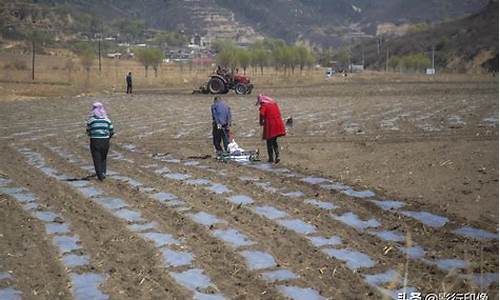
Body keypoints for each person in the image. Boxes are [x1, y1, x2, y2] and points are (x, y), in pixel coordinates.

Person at [86, 102, 114, 181]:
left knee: (96, 158)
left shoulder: (91, 120)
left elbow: (88, 131)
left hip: (95, 141)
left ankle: (100, 175)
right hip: (105, 141)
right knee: (103, 157)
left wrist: (93, 134)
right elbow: (111, 131)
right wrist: (108, 137)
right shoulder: (107, 120)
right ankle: (103, 173)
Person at [256, 95, 286, 163]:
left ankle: (271, 158)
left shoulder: (264, 105)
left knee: (269, 141)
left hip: (271, 124)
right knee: (274, 140)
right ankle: (277, 156)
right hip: (278, 123)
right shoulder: (273, 103)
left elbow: (261, 113)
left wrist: (261, 122)